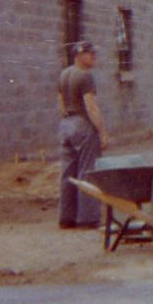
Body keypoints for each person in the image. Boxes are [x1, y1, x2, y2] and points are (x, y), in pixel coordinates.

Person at [57, 41, 108, 229]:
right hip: (82, 123)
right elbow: (91, 107)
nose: (93, 56)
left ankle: (66, 218)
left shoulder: (64, 74)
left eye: (94, 53)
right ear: (78, 56)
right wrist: (102, 132)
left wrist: (67, 120)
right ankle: (88, 218)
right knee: (88, 170)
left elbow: (61, 103)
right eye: (89, 54)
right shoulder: (85, 76)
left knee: (67, 172)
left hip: (66, 124)